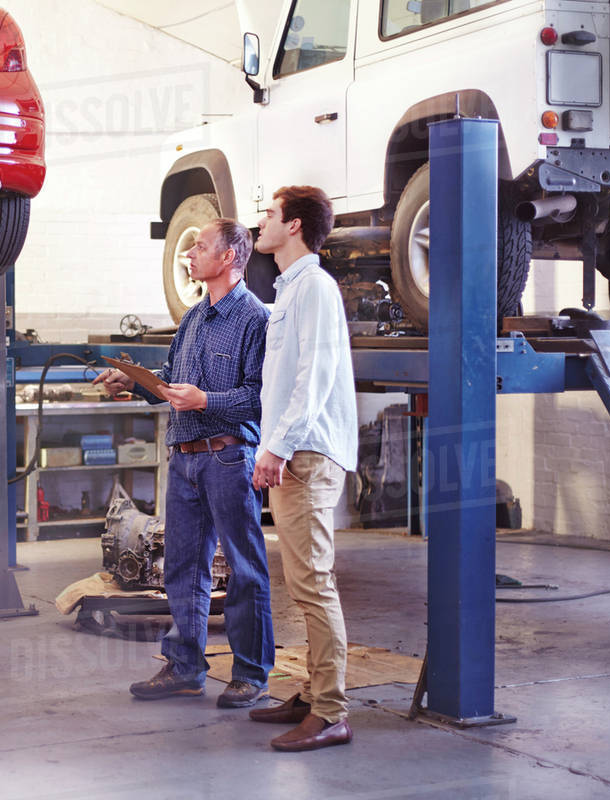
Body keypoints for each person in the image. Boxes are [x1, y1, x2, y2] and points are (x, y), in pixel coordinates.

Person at [94, 219, 274, 708]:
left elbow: (259, 399)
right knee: (183, 568)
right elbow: (172, 383)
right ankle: (185, 667)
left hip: (229, 458)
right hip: (186, 460)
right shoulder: (193, 320)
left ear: (230, 258)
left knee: (244, 568)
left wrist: (205, 401)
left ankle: (251, 674)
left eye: (200, 246)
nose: (189, 254)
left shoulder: (256, 320)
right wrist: (132, 382)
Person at [248, 186, 358, 751]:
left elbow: (313, 375)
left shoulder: (314, 287)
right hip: (297, 450)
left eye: (268, 213)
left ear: (292, 226)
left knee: (314, 583)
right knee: (302, 581)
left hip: (309, 453)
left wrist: (279, 447)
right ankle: (314, 693)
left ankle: (332, 711)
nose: (260, 221)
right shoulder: (291, 289)